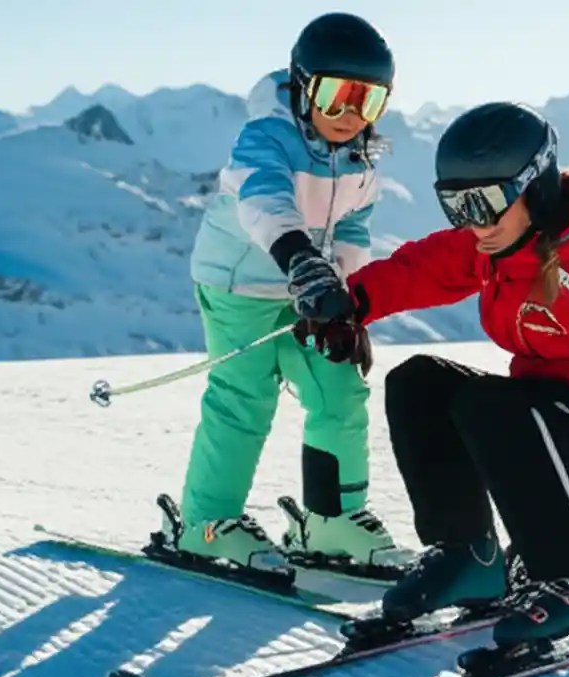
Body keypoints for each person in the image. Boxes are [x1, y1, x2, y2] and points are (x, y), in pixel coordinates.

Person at [307, 102, 569, 645]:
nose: (472, 222)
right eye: (456, 205)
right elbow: (425, 268)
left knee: (491, 403)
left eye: (484, 203)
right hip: (537, 417)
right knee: (418, 381)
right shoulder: (498, 243)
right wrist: (351, 304)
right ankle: (469, 556)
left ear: (537, 189)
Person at [167, 12, 410, 577]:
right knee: (244, 398)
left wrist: (346, 300)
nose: (351, 114)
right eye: (336, 95)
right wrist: (302, 263)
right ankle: (207, 524)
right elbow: (263, 201)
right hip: (240, 284)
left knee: (340, 388)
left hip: (309, 291)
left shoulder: (358, 158)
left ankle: (330, 517)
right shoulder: (266, 138)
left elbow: (352, 228)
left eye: (368, 101)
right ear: (303, 87)